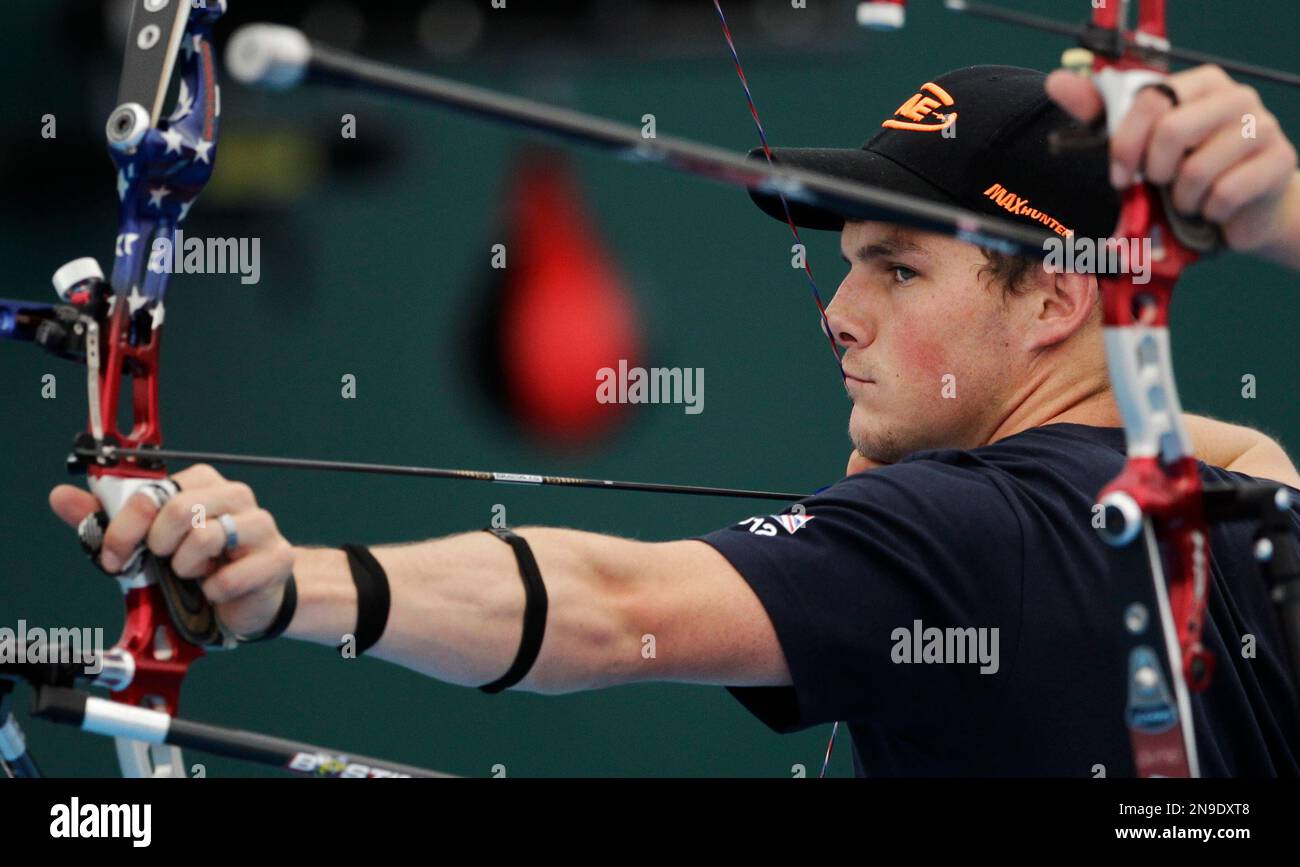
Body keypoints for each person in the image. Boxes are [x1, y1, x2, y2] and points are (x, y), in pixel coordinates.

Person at [52, 63, 1300, 776]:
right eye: (848, 263)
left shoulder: (971, 529)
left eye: (900, 269)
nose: (840, 313)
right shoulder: (1243, 502)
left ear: (1054, 304)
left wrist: (291, 590)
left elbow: (617, 609)